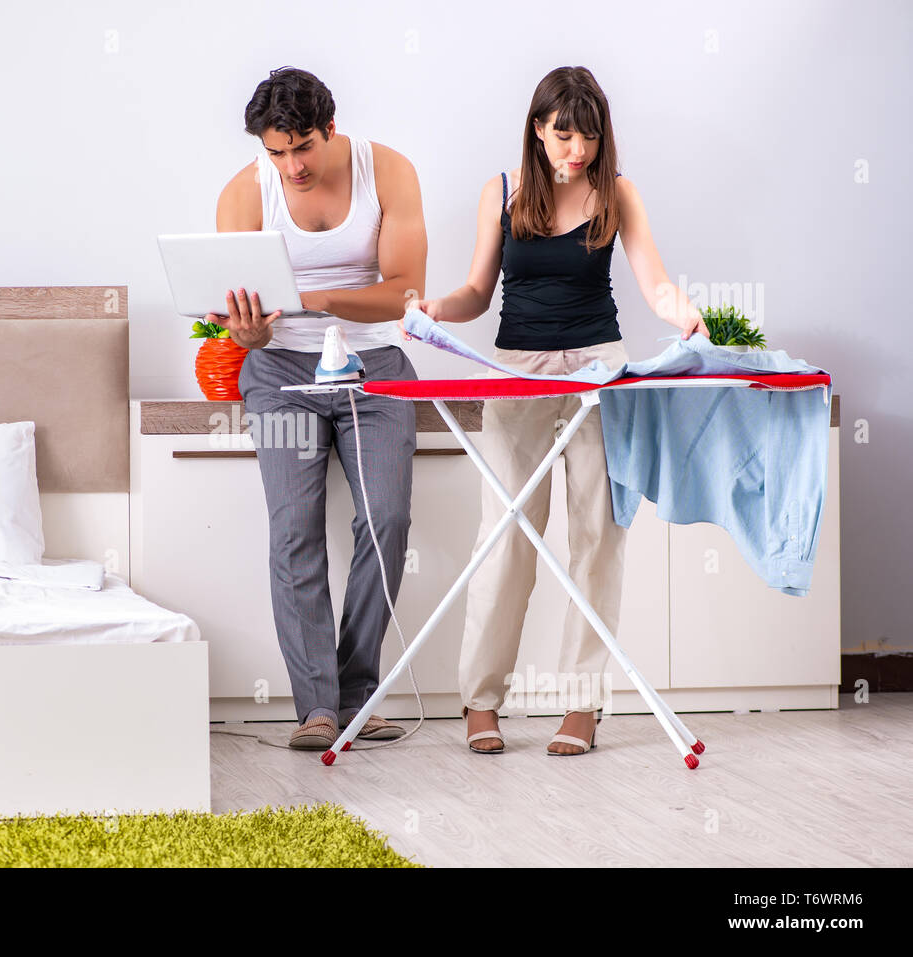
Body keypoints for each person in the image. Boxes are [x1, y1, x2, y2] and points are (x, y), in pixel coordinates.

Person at [403, 66, 709, 756]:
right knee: (506, 538)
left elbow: (655, 284)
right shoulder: (503, 192)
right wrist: (432, 310)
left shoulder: (617, 193)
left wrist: (686, 314)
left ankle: (582, 704)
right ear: (538, 129)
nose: (577, 149)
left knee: (597, 536)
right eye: (564, 133)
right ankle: (481, 699)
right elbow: (478, 292)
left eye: (589, 135)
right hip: (518, 373)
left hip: (597, 371)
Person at [206, 66, 428, 750]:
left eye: (302, 146)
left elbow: (405, 294)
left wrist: (318, 297)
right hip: (280, 371)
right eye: (277, 151)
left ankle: (358, 692)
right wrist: (249, 336)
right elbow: (247, 323)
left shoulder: (385, 170)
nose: (291, 165)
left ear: (329, 129)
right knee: (295, 527)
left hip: (373, 363)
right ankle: (318, 707)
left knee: (386, 518)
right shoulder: (245, 193)